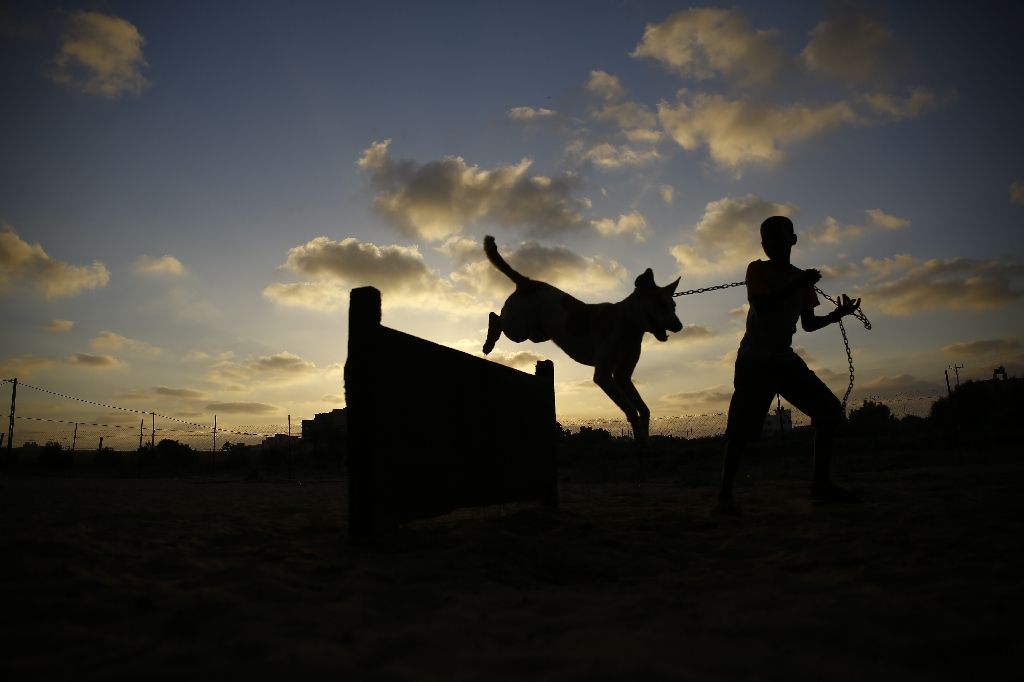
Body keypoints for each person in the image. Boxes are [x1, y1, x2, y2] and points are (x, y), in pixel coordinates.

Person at [715, 215, 862, 514]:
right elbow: (763, 307)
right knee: (740, 431)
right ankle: (724, 498)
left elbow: (808, 324)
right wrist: (798, 283)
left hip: (783, 359)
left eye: (778, 238)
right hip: (754, 361)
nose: (771, 244)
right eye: (767, 239)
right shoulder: (758, 270)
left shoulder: (801, 280)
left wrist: (838, 315)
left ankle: (821, 485)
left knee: (829, 412)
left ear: (792, 240)